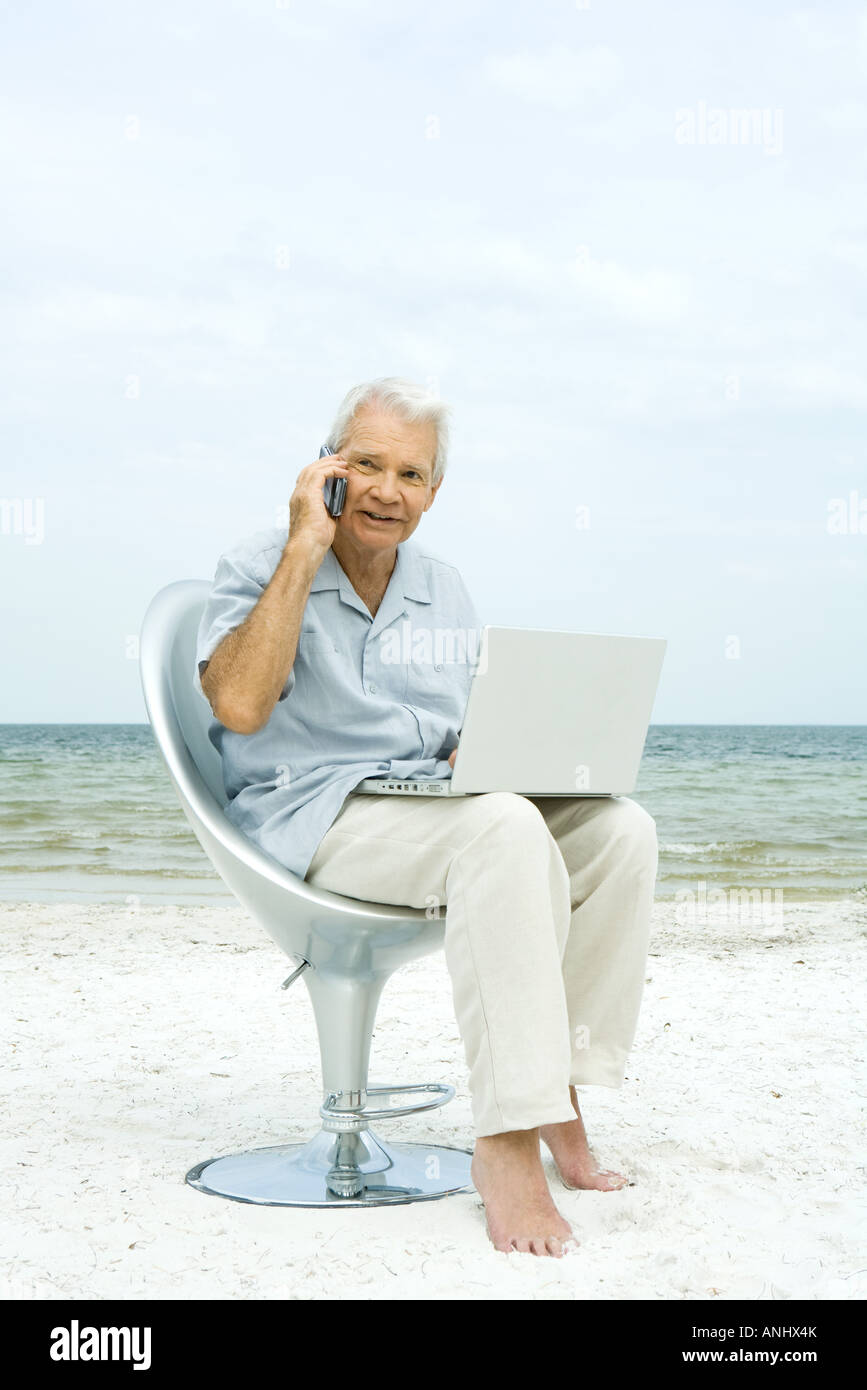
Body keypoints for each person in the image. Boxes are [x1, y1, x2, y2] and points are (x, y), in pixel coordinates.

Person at [195, 376, 658, 1258]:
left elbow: (460, 729)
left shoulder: (442, 588)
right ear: (325, 470)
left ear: (432, 494)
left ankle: (559, 1094)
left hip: (425, 809)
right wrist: (304, 548)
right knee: (502, 829)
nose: (385, 490)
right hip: (313, 814)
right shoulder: (264, 559)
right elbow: (241, 706)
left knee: (617, 831)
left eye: (409, 474)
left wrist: (489, 756)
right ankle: (506, 1145)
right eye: (364, 464)